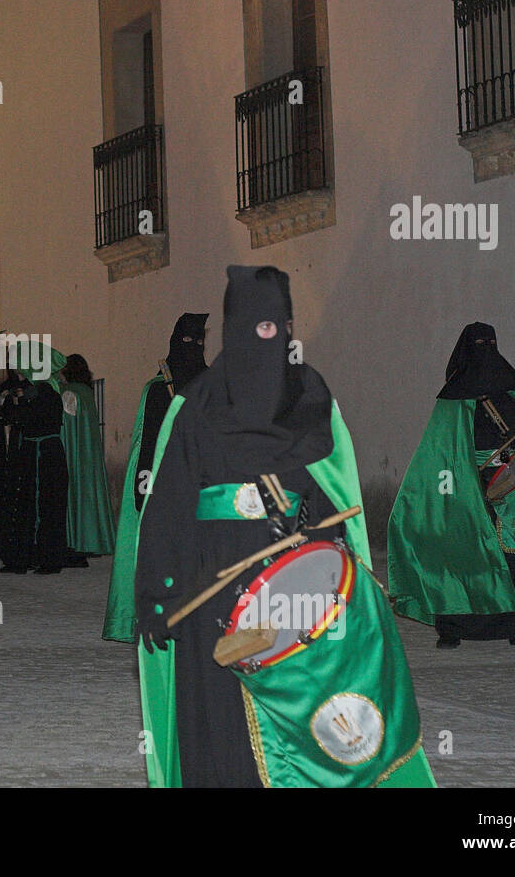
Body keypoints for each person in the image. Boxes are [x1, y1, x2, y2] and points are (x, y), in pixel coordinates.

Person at [134, 266, 434, 788]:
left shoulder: (312, 401)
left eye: (276, 326)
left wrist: (329, 574)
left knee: (302, 715)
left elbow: (331, 496)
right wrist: (159, 599)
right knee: (219, 719)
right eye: (252, 325)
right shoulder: (194, 405)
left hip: (295, 581)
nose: (264, 338)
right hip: (212, 589)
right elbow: (168, 509)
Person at [387, 322, 515, 648]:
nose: (486, 349)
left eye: (490, 343)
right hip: (469, 494)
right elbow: (440, 455)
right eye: (480, 344)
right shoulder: (454, 401)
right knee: (465, 558)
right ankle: (455, 628)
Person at [103, 313, 207, 642]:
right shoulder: (159, 388)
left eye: (200, 342)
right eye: (189, 342)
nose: (195, 348)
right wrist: (143, 486)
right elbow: (148, 442)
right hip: (165, 482)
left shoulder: (211, 383)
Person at [0, 366, 71, 574]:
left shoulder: (45, 394)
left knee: (46, 506)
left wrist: (19, 402)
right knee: (26, 506)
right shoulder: (27, 392)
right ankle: (25, 557)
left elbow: (25, 419)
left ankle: (48, 558)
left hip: (44, 455)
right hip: (32, 454)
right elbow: (8, 417)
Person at [59, 353, 115, 567]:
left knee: (75, 498)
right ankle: (90, 541)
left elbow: (66, 427)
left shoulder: (69, 393)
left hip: (74, 456)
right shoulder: (87, 392)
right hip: (88, 455)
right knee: (88, 498)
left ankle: (76, 543)